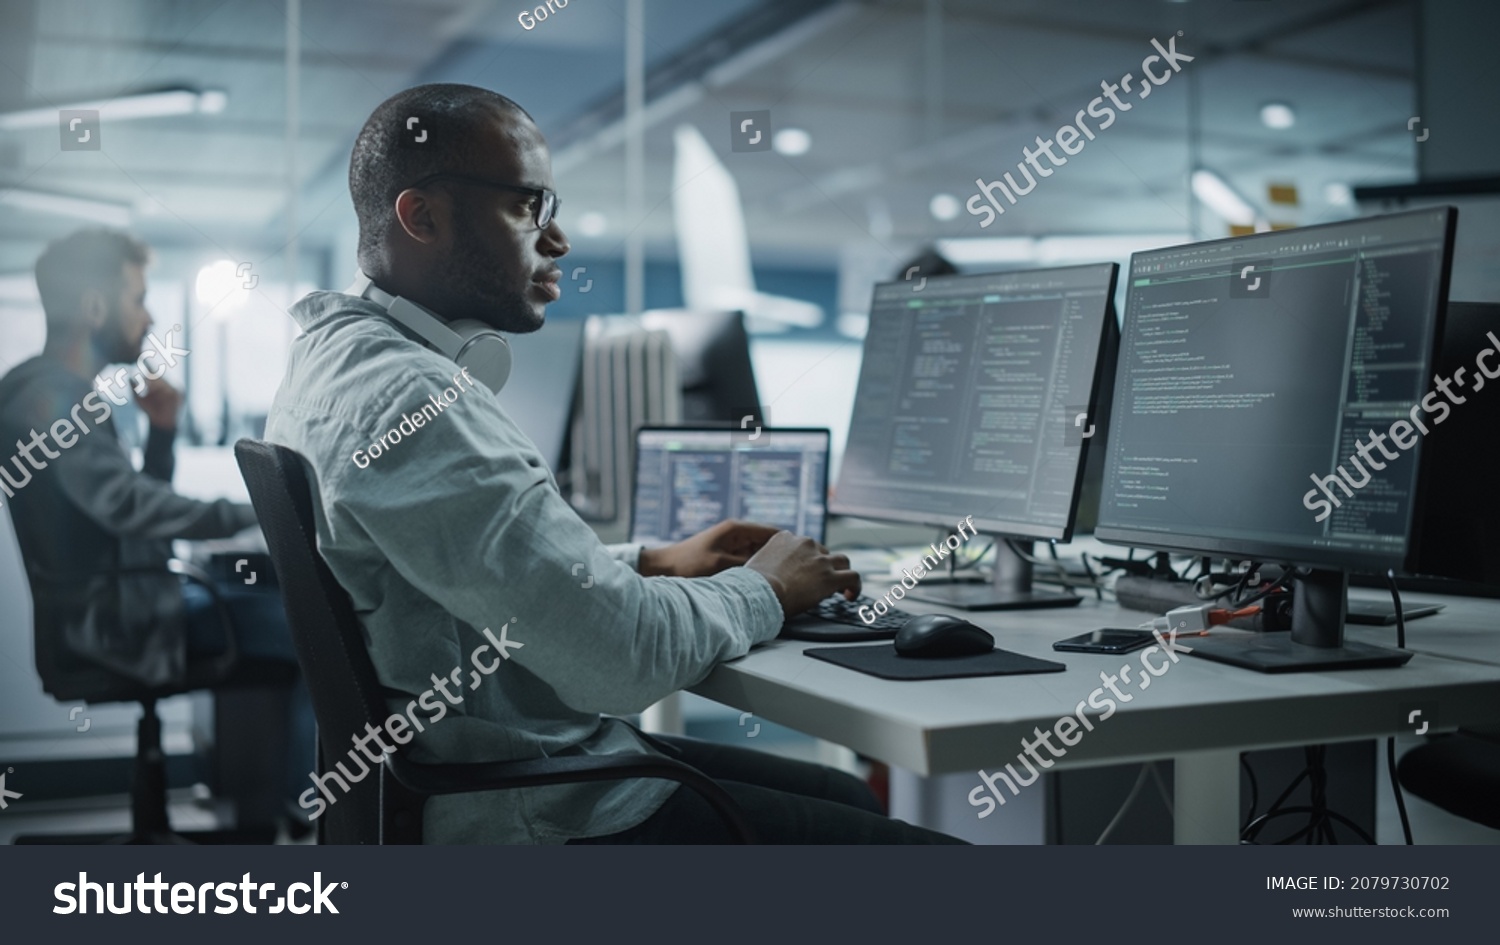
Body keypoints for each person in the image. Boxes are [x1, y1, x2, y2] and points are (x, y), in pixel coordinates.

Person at [263, 83, 963, 844]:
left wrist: (652, 560)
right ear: (420, 215)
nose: (556, 240)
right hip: (531, 810)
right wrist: (764, 587)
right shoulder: (413, 399)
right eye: (528, 207)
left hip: (477, 775)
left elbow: (460, 574)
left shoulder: (335, 362)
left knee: (844, 795)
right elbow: (623, 661)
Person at [0, 228, 313, 828]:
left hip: (115, 607)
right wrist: (264, 511)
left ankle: (277, 807)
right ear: (94, 306)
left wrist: (164, 433)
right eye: (137, 298)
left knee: (278, 602)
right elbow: (134, 509)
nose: (148, 318)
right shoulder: (52, 401)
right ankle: (304, 811)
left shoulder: (60, 394)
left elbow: (127, 520)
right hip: (115, 622)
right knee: (310, 626)